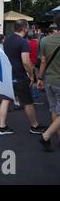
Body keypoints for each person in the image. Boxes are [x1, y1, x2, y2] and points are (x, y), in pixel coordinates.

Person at [0, 19, 46, 136]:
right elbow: (26, 62)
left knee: (5, 99)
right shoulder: (23, 42)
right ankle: (34, 126)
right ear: (24, 28)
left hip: (9, 74)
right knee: (28, 102)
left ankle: (2, 127)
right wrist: (31, 75)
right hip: (20, 76)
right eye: (28, 27)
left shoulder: (7, 40)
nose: (28, 29)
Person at [37, 13, 60, 152]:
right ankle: (46, 136)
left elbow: (43, 62)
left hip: (49, 81)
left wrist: (40, 78)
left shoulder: (44, 40)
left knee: (54, 110)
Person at [28, 32, 41, 104]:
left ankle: (29, 98)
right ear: (37, 37)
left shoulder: (28, 43)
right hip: (36, 64)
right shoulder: (38, 44)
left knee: (30, 80)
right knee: (36, 81)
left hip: (29, 64)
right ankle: (35, 99)